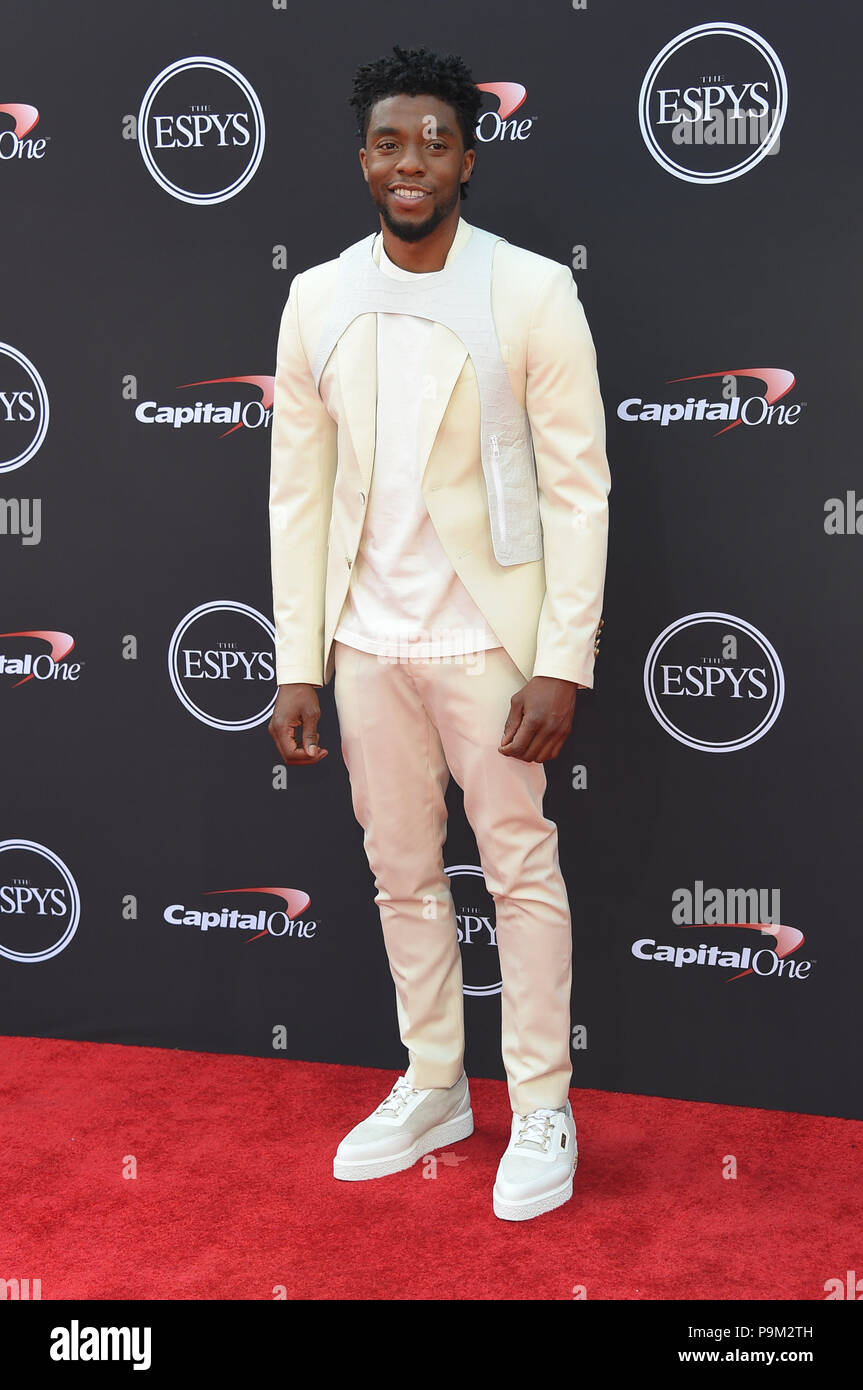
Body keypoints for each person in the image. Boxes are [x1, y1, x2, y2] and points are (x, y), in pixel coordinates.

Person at [268, 44, 610, 1221]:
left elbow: (578, 489)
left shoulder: (527, 291)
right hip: (368, 648)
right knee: (399, 874)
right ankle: (431, 1083)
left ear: (468, 155)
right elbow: (297, 493)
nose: (408, 162)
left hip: (489, 646)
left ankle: (543, 1103)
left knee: (519, 872)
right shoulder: (316, 297)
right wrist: (297, 661)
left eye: (432, 141)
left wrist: (561, 658)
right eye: (386, 141)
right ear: (362, 158)